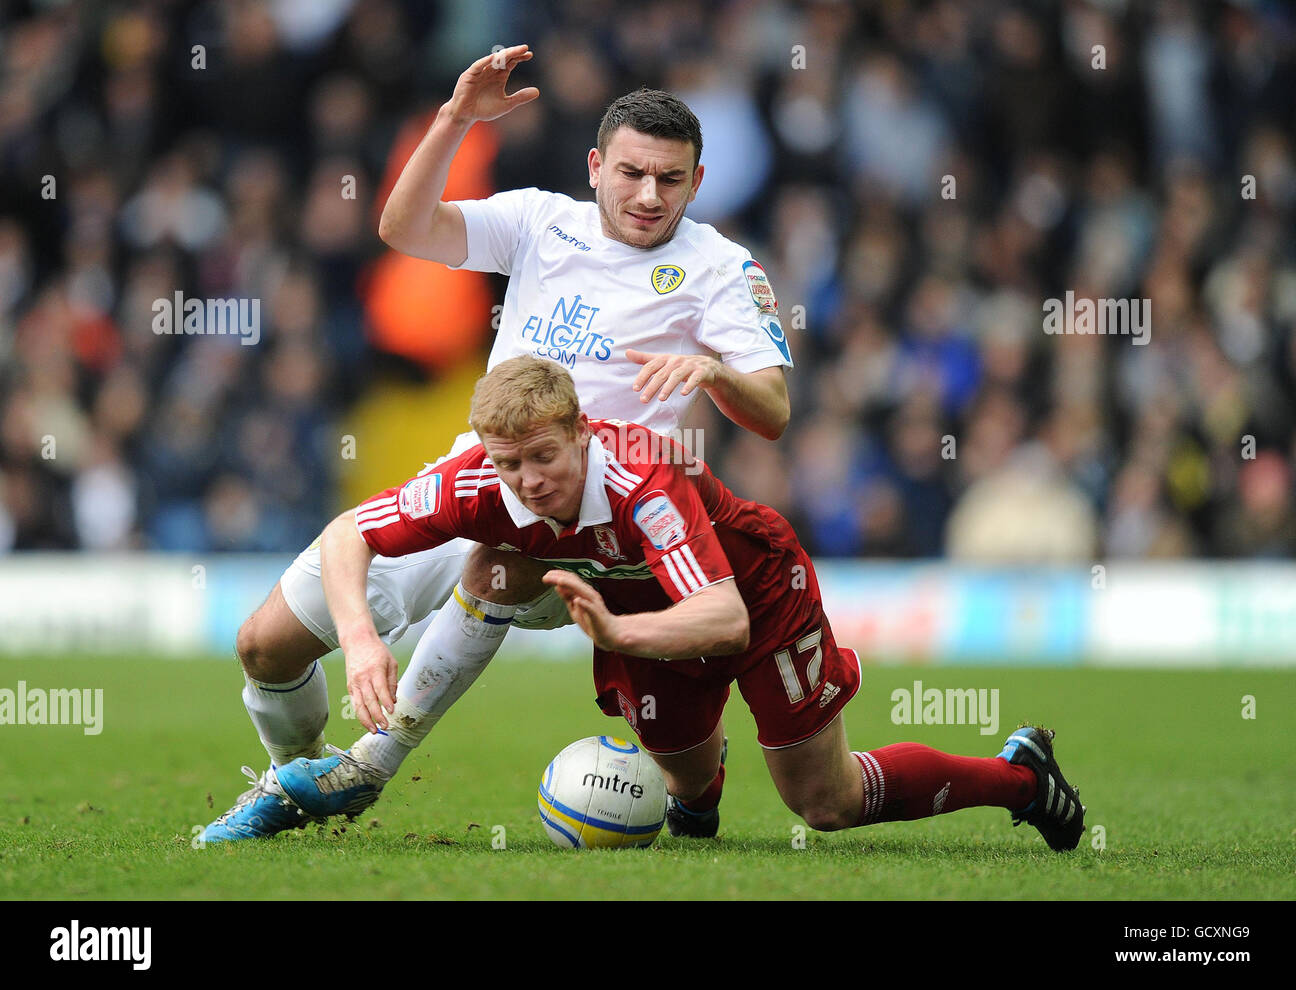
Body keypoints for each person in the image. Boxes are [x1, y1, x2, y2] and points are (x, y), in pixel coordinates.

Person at [204, 45, 793, 840]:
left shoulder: (720, 268)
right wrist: (453, 122)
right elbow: (403, 227)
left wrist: (714, 371)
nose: (649, 194)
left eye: (670, 178)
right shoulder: (540, 222)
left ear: (695, 179)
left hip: (601, 523)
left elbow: (774, 410)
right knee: (265, 646)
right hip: (485, 476)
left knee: (504, 558)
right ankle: (295, 776)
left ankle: (369, 765)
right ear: (595, 166)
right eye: (631, 173)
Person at [275, 357, 1087, 852]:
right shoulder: (479, 481)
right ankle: (701, 793)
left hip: (757, 600)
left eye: (544, 457)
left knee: (825, 805)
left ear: (584, 433)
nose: (527, 481)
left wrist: (617, 629)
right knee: (691, 794)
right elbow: (352, 531)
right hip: (647, 619)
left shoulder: (642, 478)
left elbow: (724, 616)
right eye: (510, 462)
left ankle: (1020, 778)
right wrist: (360, 639)